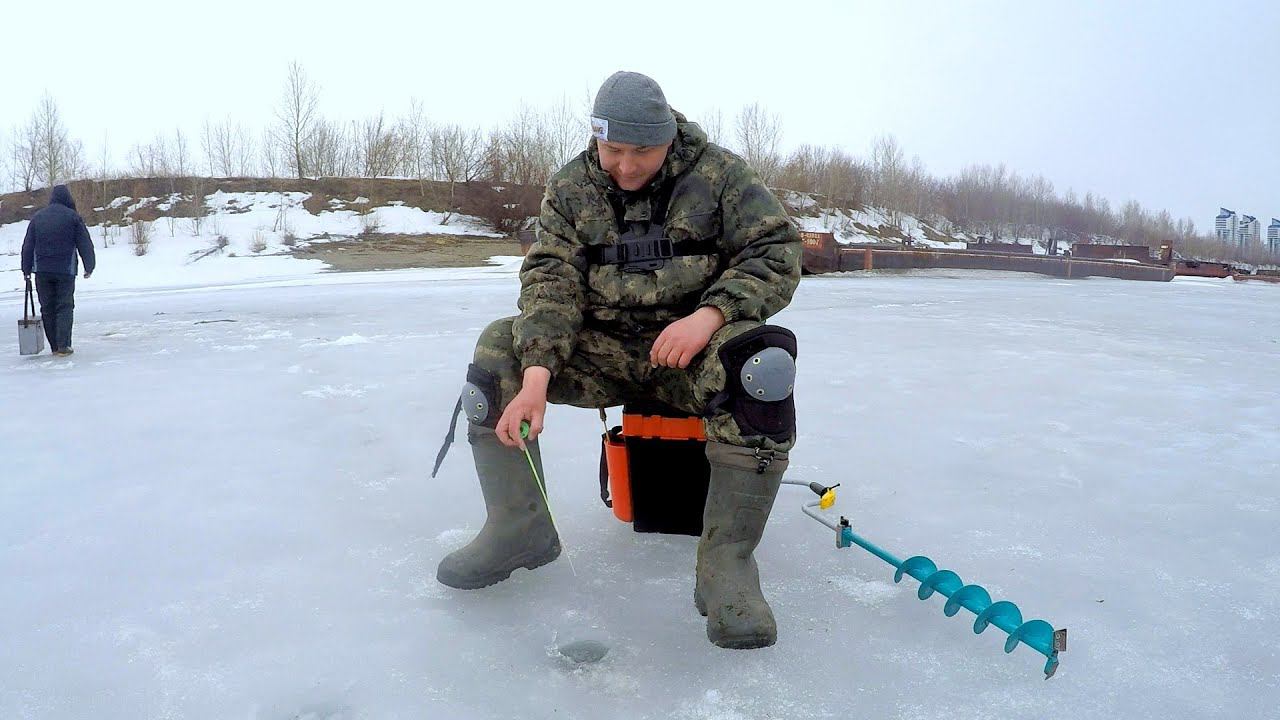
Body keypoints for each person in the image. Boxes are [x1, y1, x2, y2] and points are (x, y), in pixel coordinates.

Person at [436, 71, 802, 650]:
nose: (626, 167)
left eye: (643, 152)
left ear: (669, 138)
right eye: (613, 150)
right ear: (596, 139)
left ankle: (725, 567)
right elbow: (551, 281)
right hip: (602, 351)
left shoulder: (721, 175)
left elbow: (777, 250)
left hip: (692, 351)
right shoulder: (572, 187)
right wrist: (536, 379)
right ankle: (520, 531)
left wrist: (710, 316)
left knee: (763, 365)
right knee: (498, 350)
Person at [20, 184, 96, 356]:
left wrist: (26, 269)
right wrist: (89, 266)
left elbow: (28, 246)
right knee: (64, 306)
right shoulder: (73, 217)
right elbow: (85, 243)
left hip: (42, 271)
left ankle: (54, 346)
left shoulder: (38, 217)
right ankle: (63, 346)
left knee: (47, 308)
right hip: (65, 271)